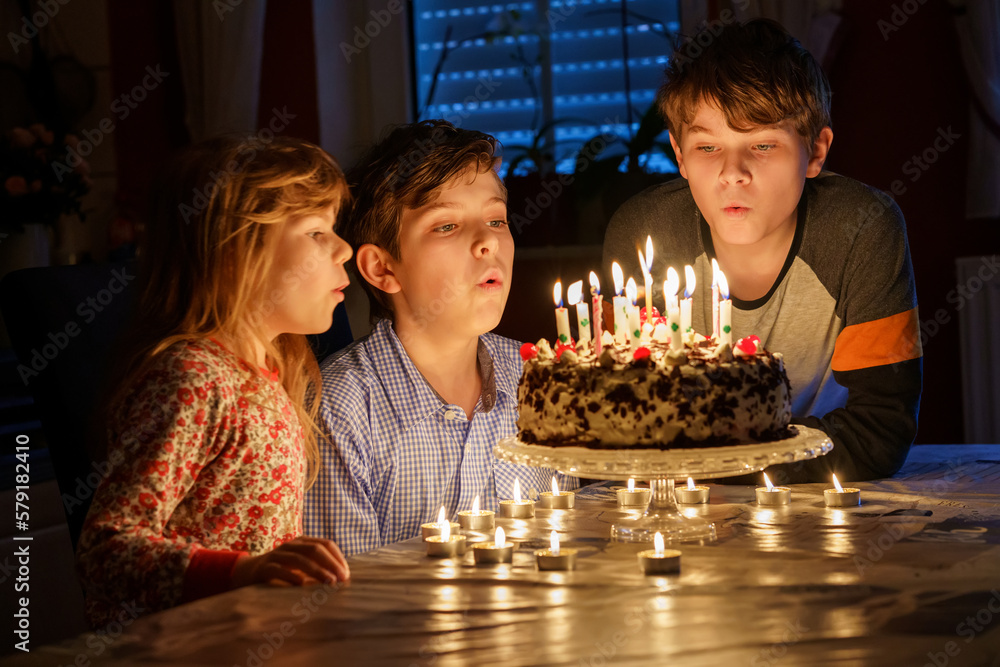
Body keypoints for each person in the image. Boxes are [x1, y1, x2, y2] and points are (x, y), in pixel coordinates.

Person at [603, 19, 922, 483]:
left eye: (763, 144)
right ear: (679, 155)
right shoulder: (644, 233)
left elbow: (879, 430)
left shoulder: (862, 229)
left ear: (815, 152)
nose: (734, 172)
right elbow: (623, 414)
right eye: (708, 146)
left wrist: (719, 460)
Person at [76, 135, 353, 628]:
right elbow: (106, 550)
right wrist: (243, 572)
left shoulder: (270, 372)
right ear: (237, 251)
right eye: (316, 233)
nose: (345, 248)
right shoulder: (193, 379)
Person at [304, 120, 575, 556]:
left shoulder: (540, 378)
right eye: (446, 226)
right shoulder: (338, 411)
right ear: (382, 269)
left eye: (496, 219)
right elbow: (347, 604)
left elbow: (570, 537)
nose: (487, 240)